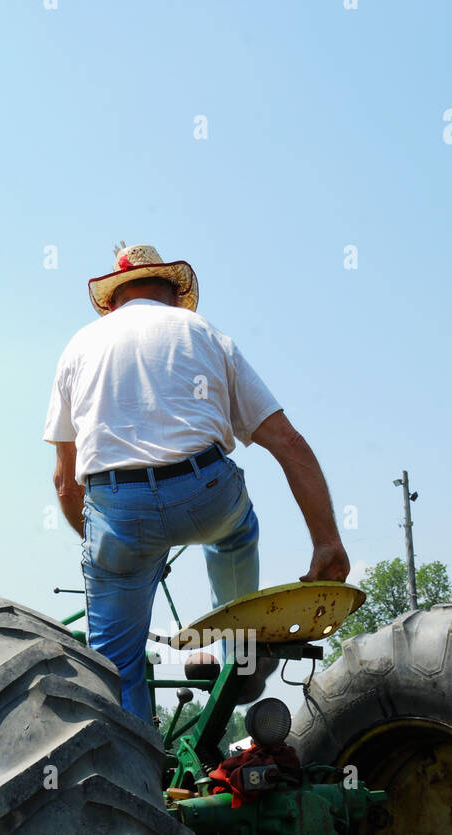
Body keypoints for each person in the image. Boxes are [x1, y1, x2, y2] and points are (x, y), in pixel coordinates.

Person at [43, 242, 349, 723]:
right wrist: (327, 543)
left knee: (116, 669)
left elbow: (65, 483)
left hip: (117, 507)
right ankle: (239, 659)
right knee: (234, 535)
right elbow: (288, 442)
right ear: (170, 291)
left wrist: (112, 550)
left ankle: (136, 780)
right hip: (205, 492)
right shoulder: (203, 333)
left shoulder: (79, 347)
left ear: (116, 297)